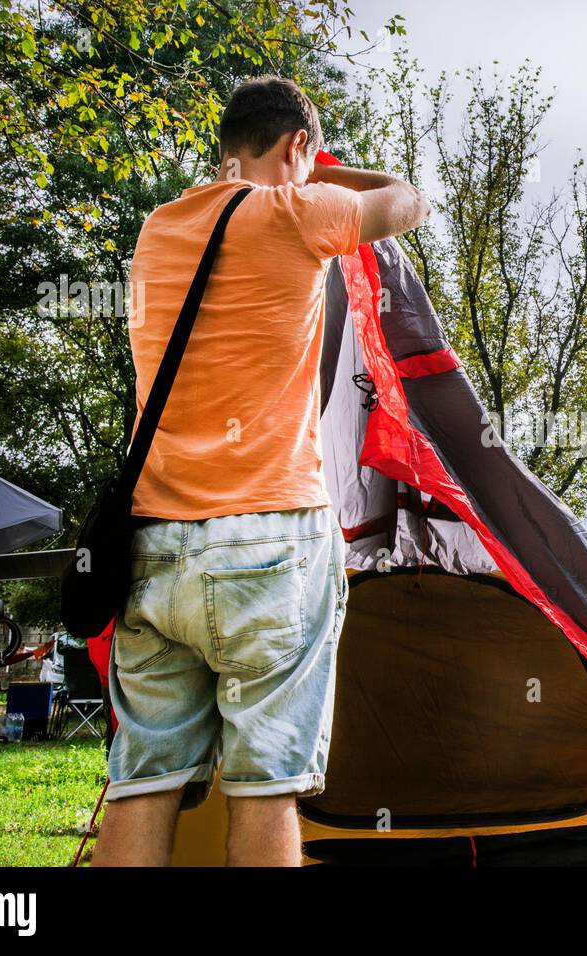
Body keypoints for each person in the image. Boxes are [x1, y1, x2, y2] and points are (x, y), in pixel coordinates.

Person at [91, 76, 430, 867]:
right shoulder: (295, 211)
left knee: (144, 780)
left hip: (153, 546)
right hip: (268, 544)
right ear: (294, 149)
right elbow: (404, 201)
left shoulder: (159, 226)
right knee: (265, 783)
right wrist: (322, 172)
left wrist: (294, 163)